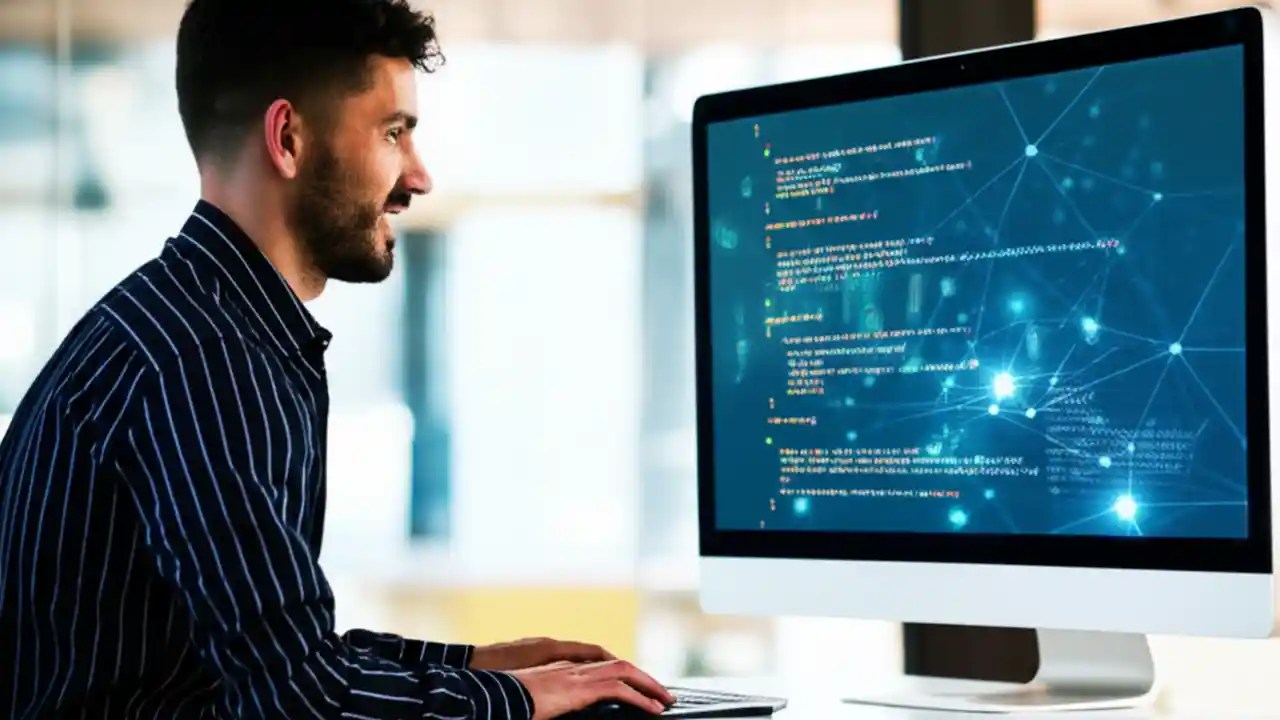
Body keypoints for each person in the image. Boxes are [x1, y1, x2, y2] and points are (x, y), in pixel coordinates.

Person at [0, 1, 675, 717]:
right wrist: (511, 701)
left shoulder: (180, 324)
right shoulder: (206, 361)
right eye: (393, 133)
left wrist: (478, 665)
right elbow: (301, 701)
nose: (419, 177)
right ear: (287, 138)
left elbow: (272, 654)